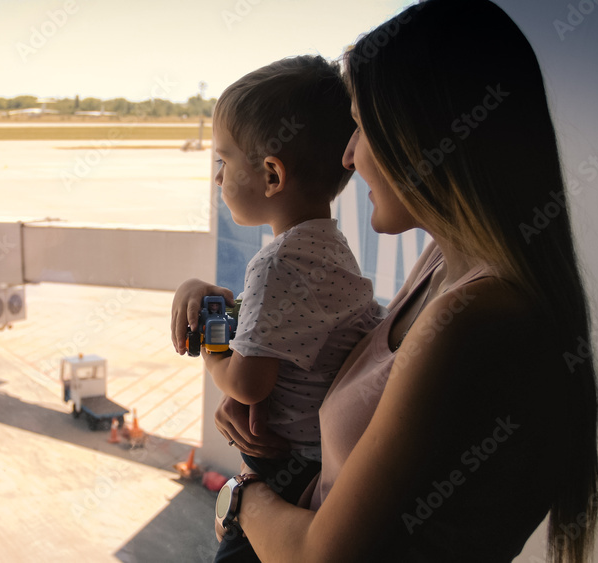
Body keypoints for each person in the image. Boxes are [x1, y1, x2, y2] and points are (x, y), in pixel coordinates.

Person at [189, 1, 598, 561]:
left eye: (360, 126)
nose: (349, 156)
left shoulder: (475, 320)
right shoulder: (443, 266)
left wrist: (240, 495)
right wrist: (238, 331)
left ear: (424, 136)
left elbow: (320, 556)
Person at [171, 55, 383, 561]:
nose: (218, 179)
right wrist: (227, 304)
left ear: (271, 175)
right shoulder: (329, 248)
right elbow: (286, 328)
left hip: (290, 469)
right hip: (318, 460)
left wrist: (208, 335)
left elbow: (247, 383)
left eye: (223, 162)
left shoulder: (278, 263)